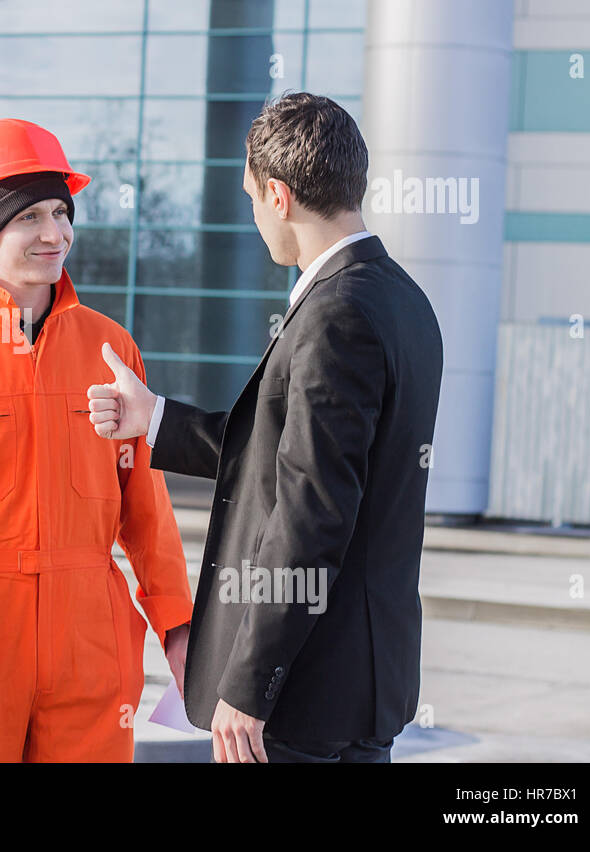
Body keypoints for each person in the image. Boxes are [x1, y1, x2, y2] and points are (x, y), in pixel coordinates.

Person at [89, 92, 444, 763]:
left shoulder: (335, 315)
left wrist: (251, 685)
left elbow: (311, 513)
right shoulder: (403, 300)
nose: (254, 217)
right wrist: (153, 418)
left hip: (305, 696)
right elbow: (290, 454)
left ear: (278, 196)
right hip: (363, 685)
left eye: (251, 197)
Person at [0, 118, 192, 763]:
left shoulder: (110, 349)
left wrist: (181, 628)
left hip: (90, 646)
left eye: (61, 212)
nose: (55, 234)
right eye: (29, 217)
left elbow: (147, 506)